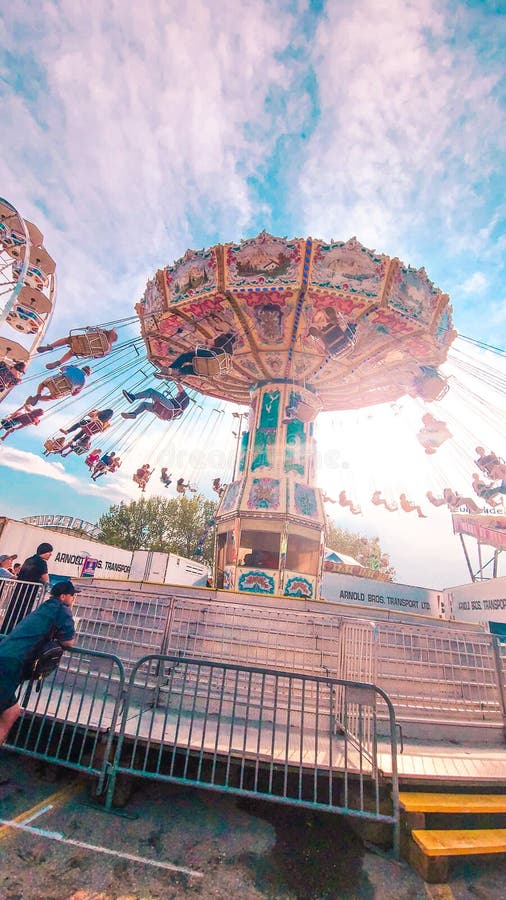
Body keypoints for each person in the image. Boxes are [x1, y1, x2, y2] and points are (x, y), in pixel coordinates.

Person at [0, 580, 77, 747]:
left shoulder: (45, 607)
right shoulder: (62, 609)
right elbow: (69, 641)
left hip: (6, 656)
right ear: (63, 596)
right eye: (72, 596)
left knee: (12, 712)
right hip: (12, 663)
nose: (73, 599)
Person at [1, 542, 53, 634]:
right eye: (50, 552)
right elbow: (46, 579)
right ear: (45, 552)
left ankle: (4, 633)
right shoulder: (42, 562)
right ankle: (15, 636)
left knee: (12, 614)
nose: (51, 555)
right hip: (29, 593)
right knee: (22, 615)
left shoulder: (28, 559)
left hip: (19, 590)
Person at [37, 327, 118, 368]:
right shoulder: (108, 349)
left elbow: (90, 331)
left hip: (81, 340)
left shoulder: (101, 332)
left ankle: (51, 346)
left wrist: (88, 328)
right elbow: (97, 356)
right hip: (84, 350)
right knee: (71, 353)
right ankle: (59, 362)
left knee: (66, 340)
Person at [168, 333, 237, 377]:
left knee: (185, 357)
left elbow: (209, 342)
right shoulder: (231, 353)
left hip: (212, 356)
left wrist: (213, 338)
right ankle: (178, 372)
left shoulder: (224, 339)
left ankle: (171, 369)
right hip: (215, 370)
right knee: (194, 369)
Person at [25, 365, 91, 405]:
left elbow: (61, 369)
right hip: (59, 392)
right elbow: (73, 394)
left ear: (82, 368)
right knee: (51, 398)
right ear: (88, 374)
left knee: (42, 384)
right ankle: (38, 398)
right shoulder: (84, 382)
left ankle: (38, 394)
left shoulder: (73, 368)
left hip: (52, 382)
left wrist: (72, 367)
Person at [121, 385, 190, 421]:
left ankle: (133, 397)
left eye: (178, 394)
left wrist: (175, 378)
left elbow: (179, 387)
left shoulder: (185, 397)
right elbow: (162, 401)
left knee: (151, 391)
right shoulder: (177, 401)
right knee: (144, 404)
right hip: (166, 414)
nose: (177, 394)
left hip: (170, 409)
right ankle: (134, 414)